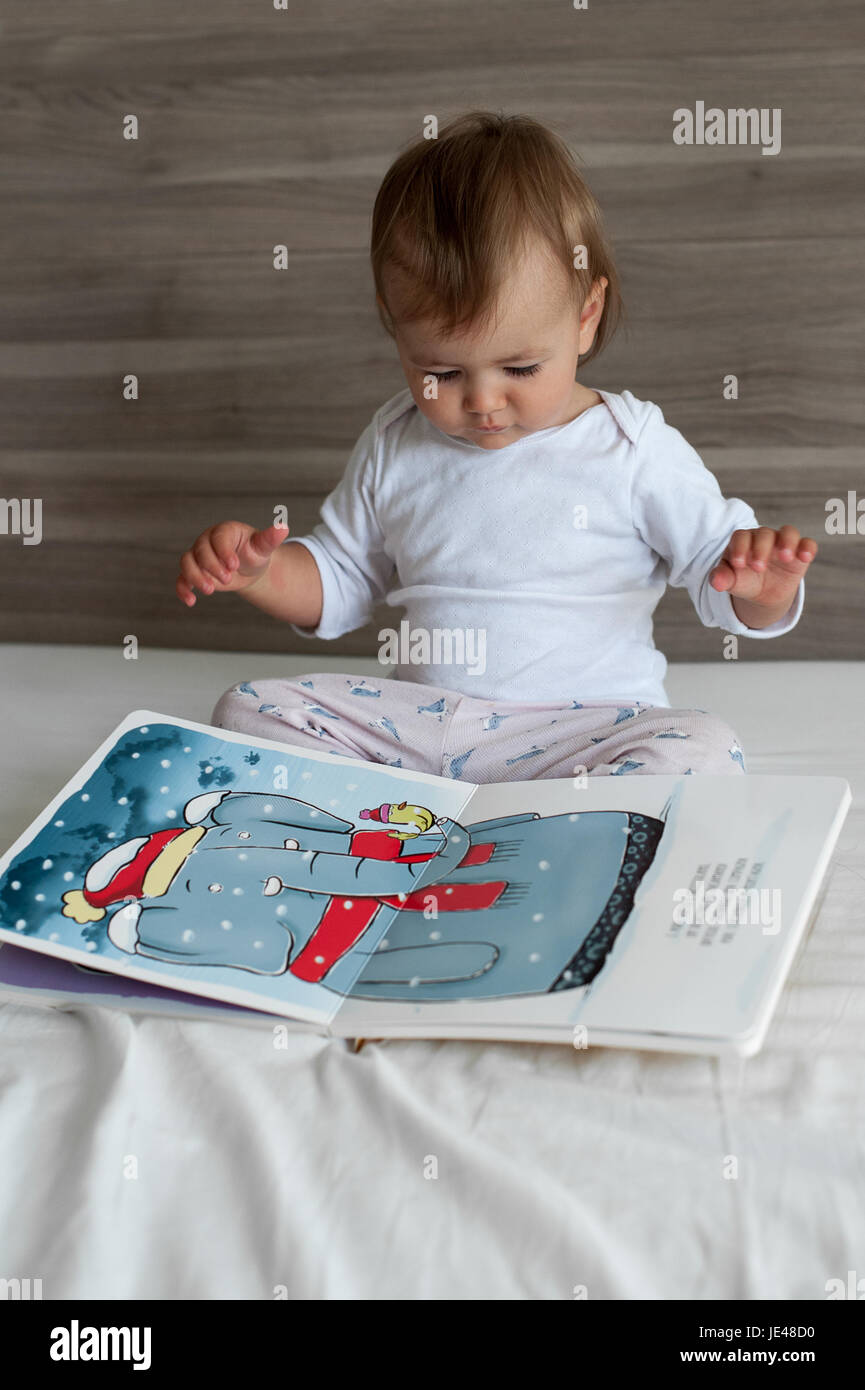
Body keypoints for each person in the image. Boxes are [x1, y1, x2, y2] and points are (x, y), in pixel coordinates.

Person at [178, 111, 816, 781]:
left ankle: (568, 827)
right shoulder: (395, 442)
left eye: (518, 369)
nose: (482, 401)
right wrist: (259, 574)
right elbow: (340, 582)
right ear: (394, 328)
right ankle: (386, 827)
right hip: (420, 729)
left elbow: (720, 578)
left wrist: (760, 589)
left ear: (583, 319)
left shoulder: (631, 448)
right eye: (443, 373)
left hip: (581, 732)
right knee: (249, 710)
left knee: (704, 748)